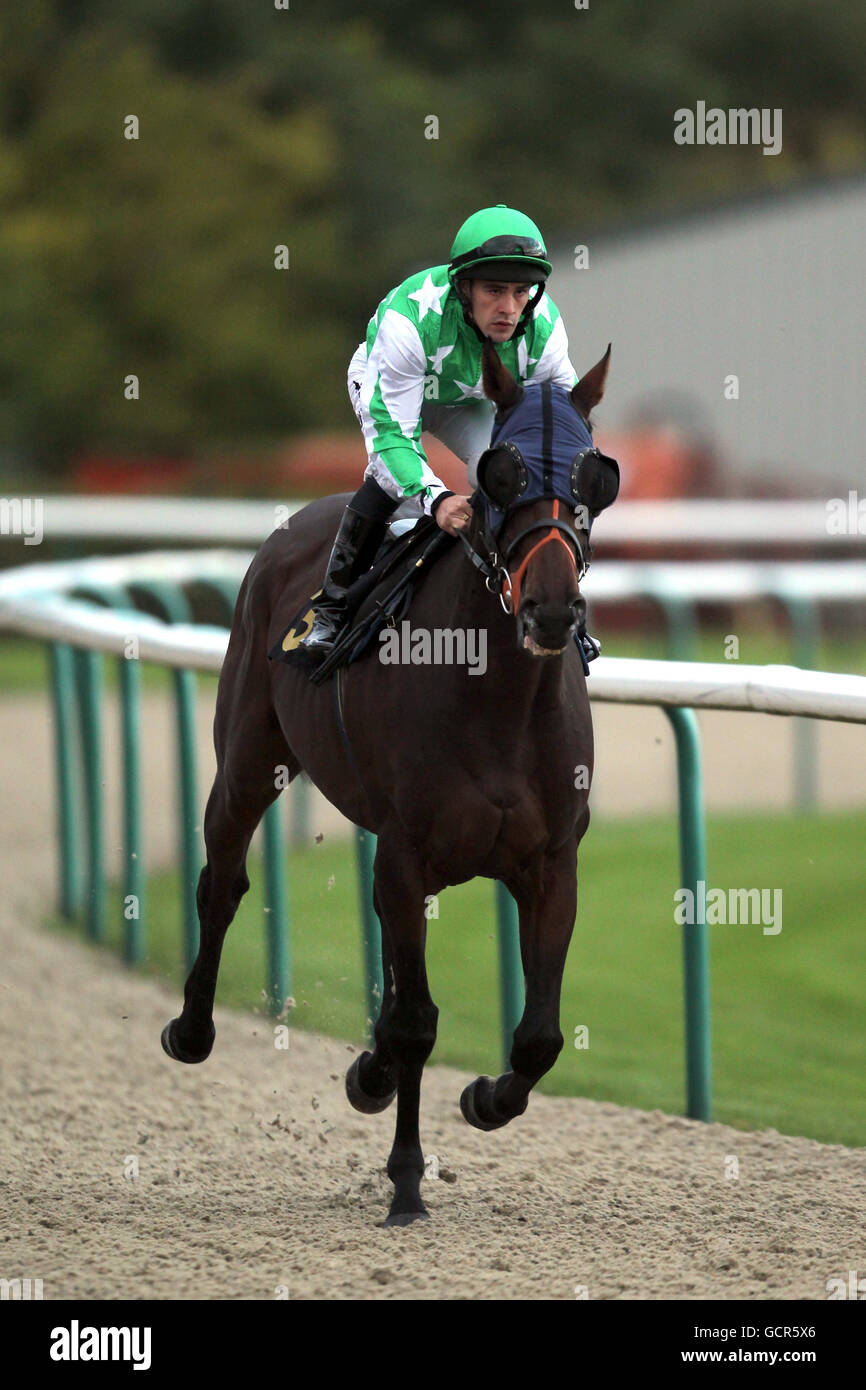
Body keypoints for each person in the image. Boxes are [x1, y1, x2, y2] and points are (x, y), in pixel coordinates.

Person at [301, 204, 579, 656]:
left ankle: (533, 596)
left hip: (463, 400)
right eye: (493, 291)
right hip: (389, 382)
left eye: (520, 292)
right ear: (463, 287)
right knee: (388, 480)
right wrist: (438, 500)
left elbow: (558, 428)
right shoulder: (409, 320)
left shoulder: (543, 327)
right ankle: (332, 608)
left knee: (512, 468)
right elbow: (393, 440)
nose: (509, 309)